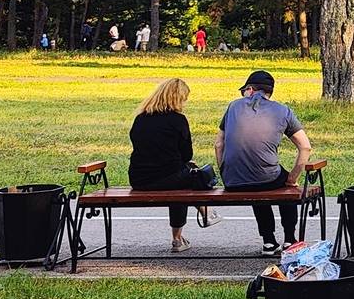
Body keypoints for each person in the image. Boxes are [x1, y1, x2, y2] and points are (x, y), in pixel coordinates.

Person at [217, 70, 312, 256]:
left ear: (250, 89)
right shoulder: (283, 111)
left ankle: (268, 241)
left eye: (243, 91)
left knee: (256, 181)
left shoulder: (233, 107)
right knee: (284, 186)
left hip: (233, 181)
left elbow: (218, 144)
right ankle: (290, 239)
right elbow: (305, 147)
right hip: (266, 178)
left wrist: (225, 172)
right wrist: (292, 179)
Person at [128, 78, 221, 252]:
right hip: (168, 178)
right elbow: (187, 155)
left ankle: (202, 215)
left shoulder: (140, 118)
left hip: (139, 179)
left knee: (182, 178)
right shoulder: (178, 120)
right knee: (188, 180)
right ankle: (182, 234)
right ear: (177, 98)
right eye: (184, 99)